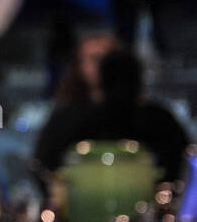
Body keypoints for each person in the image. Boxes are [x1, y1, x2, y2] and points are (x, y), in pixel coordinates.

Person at [35, 47, 190, 190]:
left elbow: (43, 168)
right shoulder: (161, 120)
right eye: (92, 58)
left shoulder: (69, 119)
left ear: (101, 77)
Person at [32, 29, 118, 198]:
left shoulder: (147, 116)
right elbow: (44, 167)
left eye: (105, 59)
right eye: (91, 59)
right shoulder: (64, 118)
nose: (98, 65)